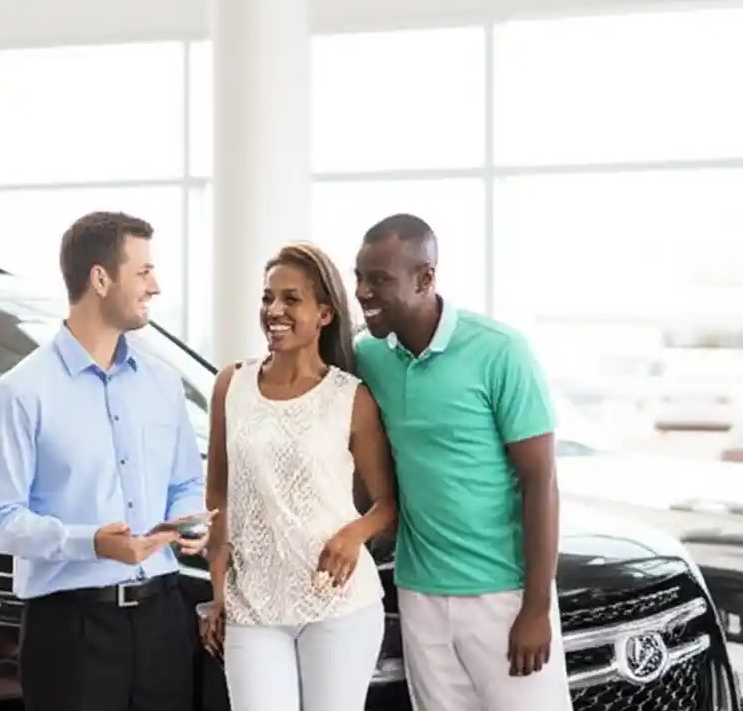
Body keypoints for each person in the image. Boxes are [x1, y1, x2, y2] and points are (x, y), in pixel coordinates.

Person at [0, 211, 212, 711]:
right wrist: (92, 545)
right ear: (100, 279)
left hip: (162, 622)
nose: (156, 285)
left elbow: (187, 481)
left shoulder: (161, 383)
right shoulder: (21, 392)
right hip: (70, 632)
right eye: (143, 271)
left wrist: (191, 522)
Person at [352, 213, 572, 710]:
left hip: (504, 596)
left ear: (426, 278)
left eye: (379, 280)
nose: (363, 292)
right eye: (359, 277)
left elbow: (542, 482)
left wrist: (536, 608)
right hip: (420, 594)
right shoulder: (370, 358)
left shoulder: (501, 351)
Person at [199, 241, 398, 711]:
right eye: (268, 298)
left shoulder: (352, 397)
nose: (274, 310)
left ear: (324, 314)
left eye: (291, 299)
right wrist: (218, 587)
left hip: (339, 605)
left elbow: (387, 502)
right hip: (253, 608)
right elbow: (218, 497)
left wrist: (355, 534)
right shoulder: (231, 384)